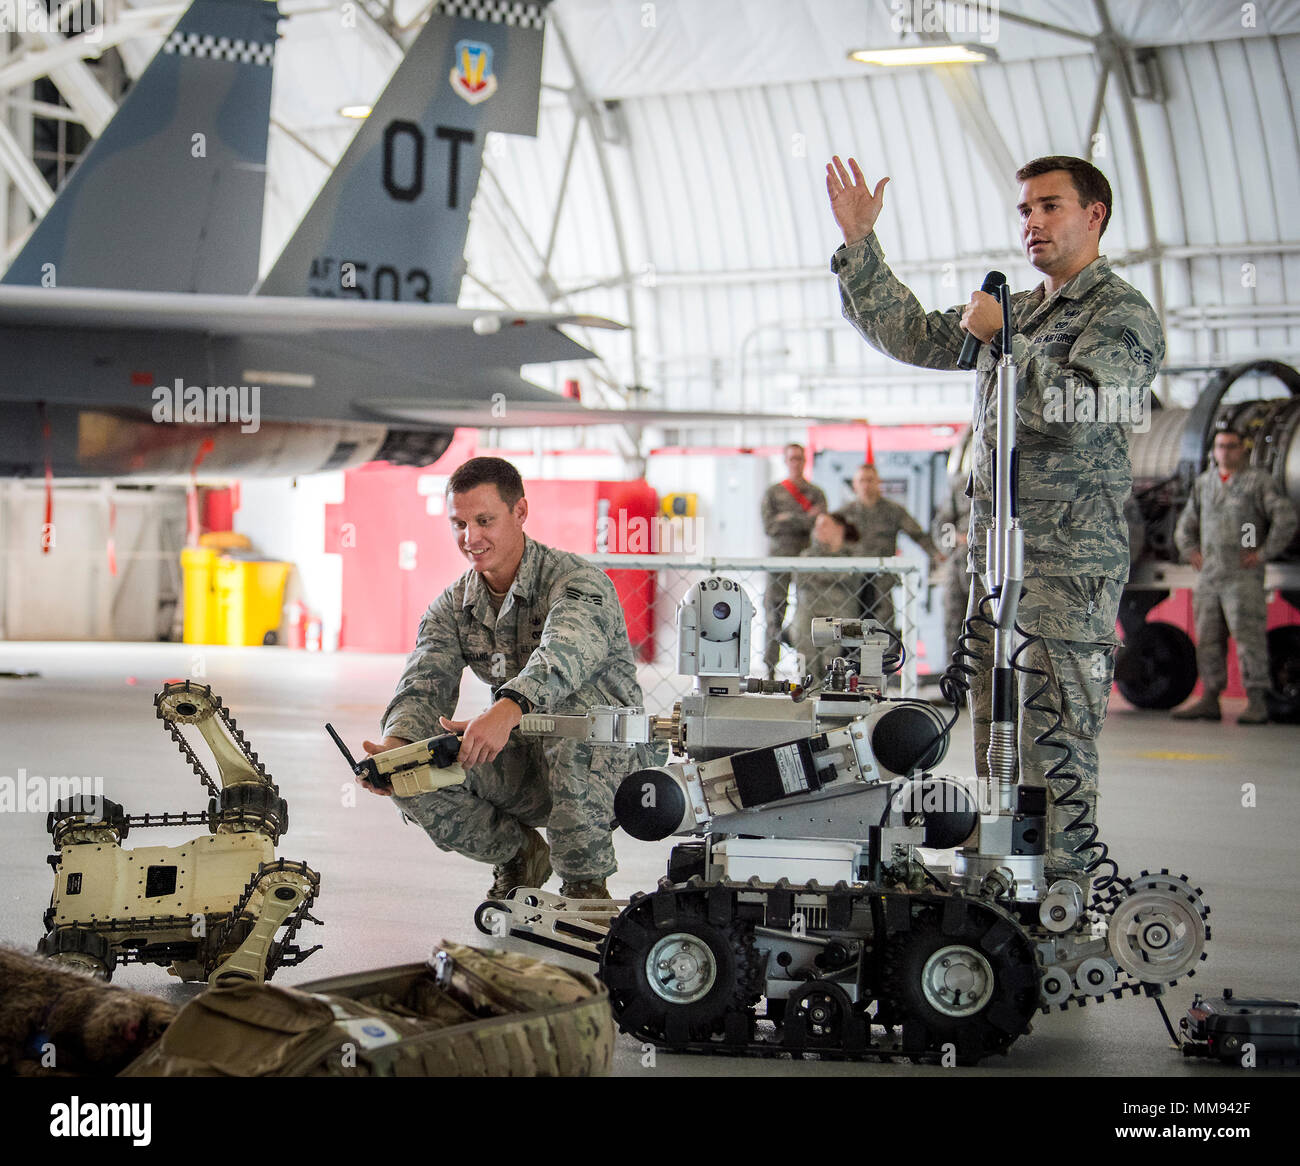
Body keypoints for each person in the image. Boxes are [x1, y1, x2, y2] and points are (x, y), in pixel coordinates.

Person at [825, 152, 1165, 895]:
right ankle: (1006, 891)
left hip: (1064, 571)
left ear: (1093, 215)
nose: (1033, 222)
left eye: (1049, 206)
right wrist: (860, 245)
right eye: (1025, 210)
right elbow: (912, 334)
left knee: (1053, 745)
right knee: (994, 742)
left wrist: (1006, 345)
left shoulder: (1120, 314)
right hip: (998, 571)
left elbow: (1084, 408)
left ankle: (1063, 908)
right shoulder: (1023, 310)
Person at [360, 456, 651, 901]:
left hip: (611, 765)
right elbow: (423, 682)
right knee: (414, 773)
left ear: (520, 513)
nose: (470, 538)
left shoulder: (576, 581)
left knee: (568, 721)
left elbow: (563, 655)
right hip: (528, 762)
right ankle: (519, 856)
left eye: (484, 520)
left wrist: (506, 710)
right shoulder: (454, 605)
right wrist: (396, 749)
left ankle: (585, 887)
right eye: (458, 523)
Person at [1172, 428, 1298, 724]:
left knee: (1248, 638)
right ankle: (1209, 698)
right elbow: (1186, 523)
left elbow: (1285, 518)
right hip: (1209, 576)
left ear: (1243, 449)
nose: (1225, 452)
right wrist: (1190, 550)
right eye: (1220, 446)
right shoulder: (1205, 484)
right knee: (1209, 640)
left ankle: (1256, 701)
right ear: (1213, 451)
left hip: (1243, 576)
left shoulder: (1258, 482)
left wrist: (1263, 553)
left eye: (1231, 446)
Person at [837, 462, 943, 633]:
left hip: (882, 580)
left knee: (884, 626)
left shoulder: (893, 511)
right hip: (853, 580)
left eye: (870, 480)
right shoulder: (844, 514)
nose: (866, 485)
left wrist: (936, 554)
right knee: (850, 626)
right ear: (855, 484)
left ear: (878, 482)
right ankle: (853, 659)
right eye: (861, 480)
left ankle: (888, 659)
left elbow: (918, 535)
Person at [760, 443, 827, 678]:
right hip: (778, 561)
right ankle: (769, 668)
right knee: (774, 612)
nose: (795, 463)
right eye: (791, 458)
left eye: (799, 458)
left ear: (805, 460)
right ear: (785, 461)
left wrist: (788, 518)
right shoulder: (773, 493)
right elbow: (770, 526)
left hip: (806, 560)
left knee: (808, 612)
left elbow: (819, 526)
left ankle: (807, 668)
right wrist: (803, 518)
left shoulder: (816, 493)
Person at [794, 511, 862, 678]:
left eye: (824, 525)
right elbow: (801, 581)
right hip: (810, 609)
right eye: (816, 526)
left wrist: (818, 574)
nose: (818, 529)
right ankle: (807, 686)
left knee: (832, 654)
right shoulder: (807, 555)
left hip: (841, 610)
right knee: (802, 635)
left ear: (839, 529)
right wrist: (834, 576)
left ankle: (831, 685)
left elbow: (851, 580)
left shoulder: (853, 555)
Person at [932, 475, 972, 663]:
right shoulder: (961, 485)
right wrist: (956, 540)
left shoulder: (1009, 480)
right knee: (955, 627)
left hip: (997, 569)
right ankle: (955, 685)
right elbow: (942, 527)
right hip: (959, 567)